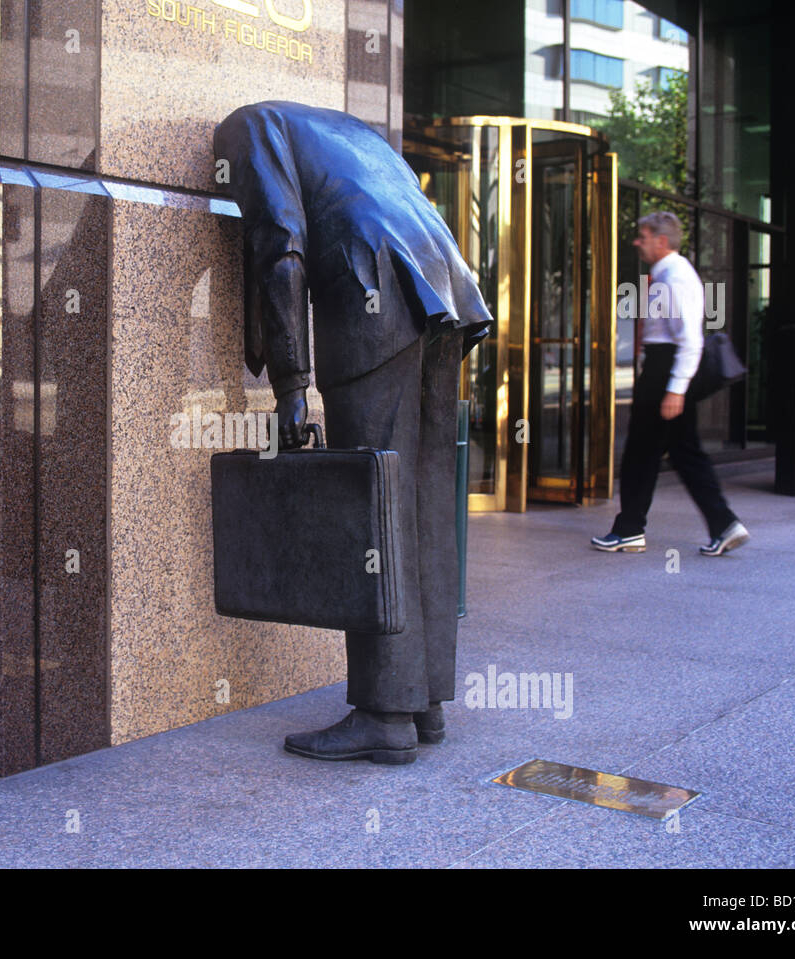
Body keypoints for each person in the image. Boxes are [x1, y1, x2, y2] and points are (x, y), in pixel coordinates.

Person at [213, 101, 492, 765]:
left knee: (372, 507)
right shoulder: (349, 132)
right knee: (419, 498)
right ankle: (421, 699)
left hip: (374, 296)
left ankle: (383, 713)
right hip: (442, 292)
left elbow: (280, 250)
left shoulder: (247, 129)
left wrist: (290, 387)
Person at [592, 211, 749, 556]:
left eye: (643, 236)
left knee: (642, 452)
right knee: (677, 452)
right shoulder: (666, 275)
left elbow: (691, 340)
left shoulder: (675, 278)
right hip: (663, 370)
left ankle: (631, 529)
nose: (637, 242)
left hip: (666, 371)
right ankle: (721, 523)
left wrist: (675, 389)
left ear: (662, 241)